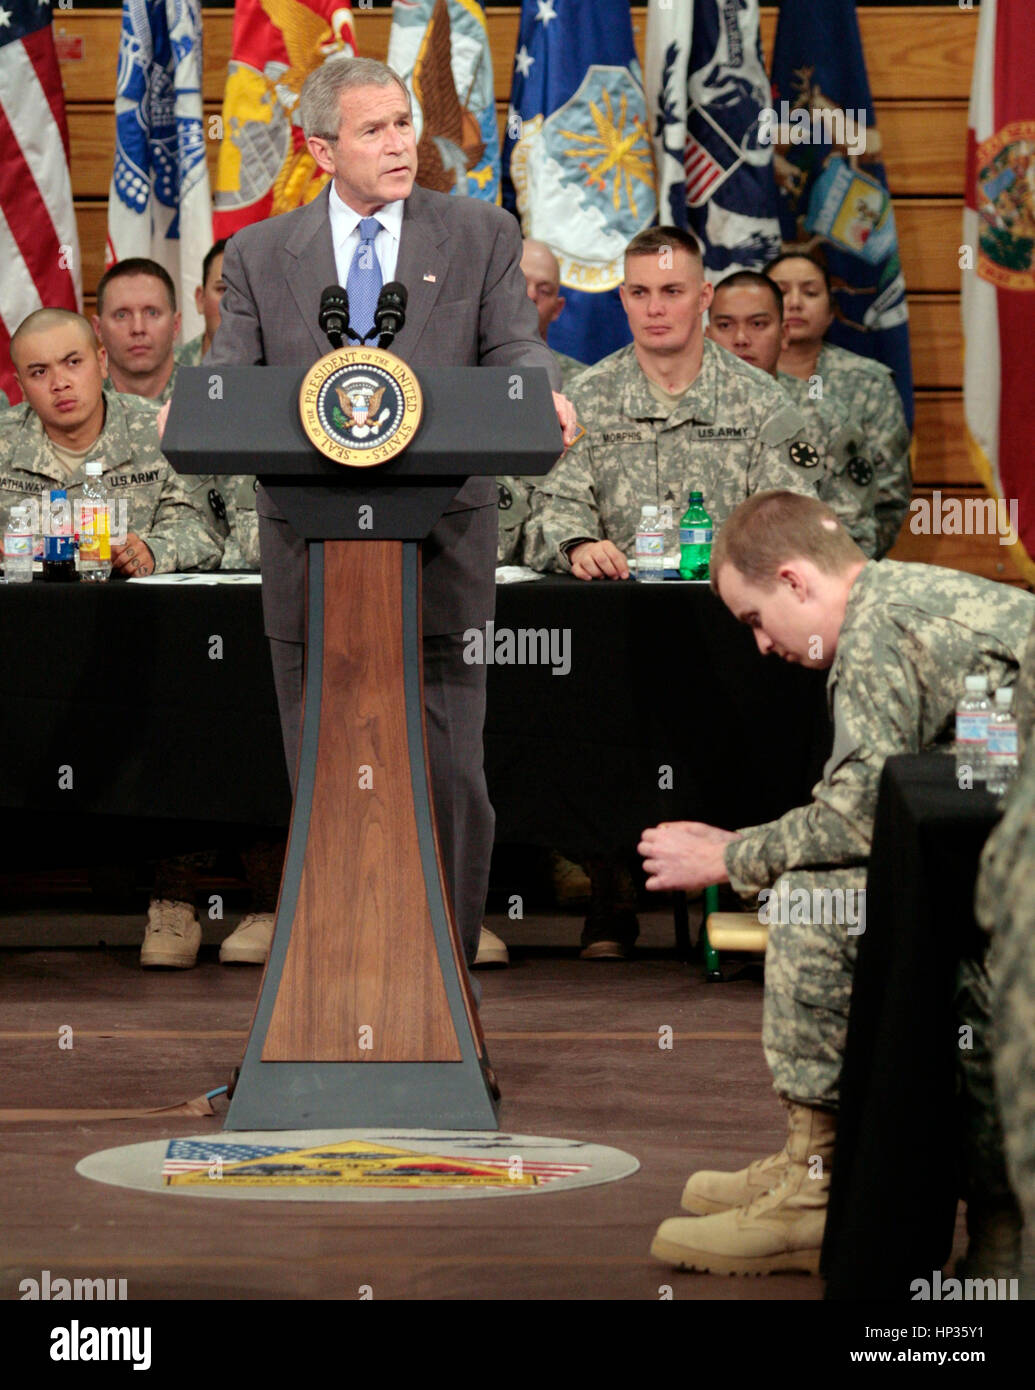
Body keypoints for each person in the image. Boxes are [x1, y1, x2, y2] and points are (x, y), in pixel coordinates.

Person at [206, 56, 575, 973]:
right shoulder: (260, 254)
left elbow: (515, 348)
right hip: (309, 552)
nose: (402, 143)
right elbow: (231, 377)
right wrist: (200, 405)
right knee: (327, 779)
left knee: (452, 778)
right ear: (319, 147)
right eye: (374, 130)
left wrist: (543, 398)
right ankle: (335, 981)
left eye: (405, 123)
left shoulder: (481, 233)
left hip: (441, 544)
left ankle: (441, 979)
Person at [639, 490, 1035, 1276]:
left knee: (817, 908)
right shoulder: (900, 601)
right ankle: (811, 1161)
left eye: (754, 620)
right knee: (821, 890)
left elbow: (854, 819)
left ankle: (843, 1199)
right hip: (1008, 847)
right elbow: (898, 806)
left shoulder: (878, 630)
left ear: (793, 581)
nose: (759, 647)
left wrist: (730, 856)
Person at [524, 227, 822, 580]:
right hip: (616, 611)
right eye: (639, 292)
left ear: (703, 297)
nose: (654, 309)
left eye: (671, 291)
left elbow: (792, 518)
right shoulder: (584, 400)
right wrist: (579, 547)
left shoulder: (761, 399)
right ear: (623, 298)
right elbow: (549, 513)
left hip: (732, 612)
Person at [0, 309, 221, 575]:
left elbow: (206, 532)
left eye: (73, 363)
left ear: (102, 361)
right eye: (38, 372)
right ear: (21, 386)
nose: (59, 383)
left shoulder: (158, 431)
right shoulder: (5, 439)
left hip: (133, 609)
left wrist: (153, 551)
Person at [706, 270, 878, 556]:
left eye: (758, 324)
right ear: (707, 336)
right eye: (725, 325)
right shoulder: (681, 413)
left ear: (784, 334)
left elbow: (854, 534)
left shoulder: (828, 418)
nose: (740, 339)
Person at [765, 251, 911, 555]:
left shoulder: (869, 381)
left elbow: (889, 495)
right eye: (781, 292)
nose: (794, 302)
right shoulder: (742, 379)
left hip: (844, 561)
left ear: (831, 312)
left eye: (810, 292)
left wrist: (850, 562)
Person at [497, 239, 586, 568]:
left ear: (558, 307)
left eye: (544, 289)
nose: (531, 295)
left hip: (560, 566)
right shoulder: (463, 380)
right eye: (520, 284)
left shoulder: (587, 387)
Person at [92, 259, 181, 405]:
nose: (138, 329)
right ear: (98, 329)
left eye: (152, 313)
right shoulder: (81, 402)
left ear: (175, 325)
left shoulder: (209, 398)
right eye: (121, 315)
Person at [178, 240, 227, 366]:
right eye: (222, 289)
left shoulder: (280, 371)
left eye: (245, 291)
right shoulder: (164, 371)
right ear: (201, 299)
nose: (232, 303)